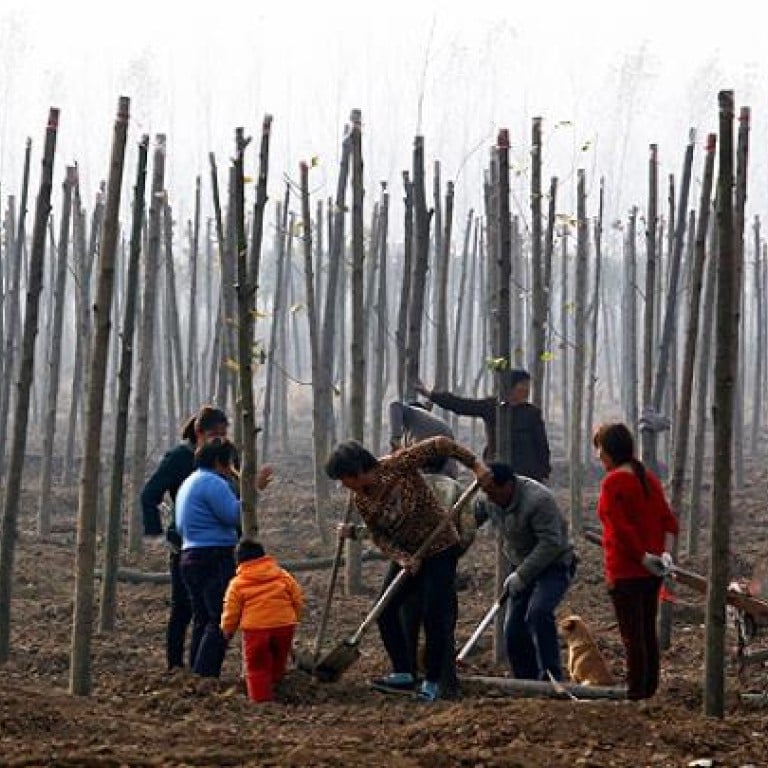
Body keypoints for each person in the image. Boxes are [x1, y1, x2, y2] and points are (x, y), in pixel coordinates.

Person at [326, 435, 491, 702]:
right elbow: (379, 535)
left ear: (355, 471)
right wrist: (401, 557)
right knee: (385, 609)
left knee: (432, 614)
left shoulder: (397, 464)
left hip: (440, 547)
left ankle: (433, 680)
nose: (343, 485)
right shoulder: (362, 501)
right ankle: (404, 672)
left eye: (343, 478)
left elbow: (441, 444)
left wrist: (476, 466)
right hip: (408, 554)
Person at [592, 422, 678, 701]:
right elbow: (668, 519)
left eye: (599, 449)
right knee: (647, 632)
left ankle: (636, 693)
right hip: (651, 571)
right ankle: (649, 688)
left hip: (627, 570)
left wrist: (641, 557)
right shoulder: (647, 477)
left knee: (632, 635)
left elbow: (619, 530)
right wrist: (663, 554)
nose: (598, 456)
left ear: (610, 451)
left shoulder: (613, 482)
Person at [175, 438, 273, 678]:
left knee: (202, 618)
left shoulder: (189, 482)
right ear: (220, 462)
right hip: (213, 556)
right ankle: (206, 675)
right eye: (229, 463)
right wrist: (254, 490)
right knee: (220, 619)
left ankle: (196, 674)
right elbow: (234, 515)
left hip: (189, 555)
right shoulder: (213, 482)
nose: (232, 469)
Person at [141, 405, 228, 670]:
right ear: (199, 433)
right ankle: (175, 667)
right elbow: (149, 495)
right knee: (184, 609)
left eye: (224, 435)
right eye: (215, 435)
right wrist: (157, 535)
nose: (220, 440)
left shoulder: (222, 457)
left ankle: (197, 668)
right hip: (183, 545)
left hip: (215, 545)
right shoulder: (179, 458)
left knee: (207, 612)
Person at [474, 462, 575, 681]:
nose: (490, 499)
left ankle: (551, 677)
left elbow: (551, 543)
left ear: (509, 485)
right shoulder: (491, 498)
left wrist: (522, 575)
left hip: (553, 565)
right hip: (520, 563)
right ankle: (524, 681)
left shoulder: (538, 500)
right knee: (513, 629)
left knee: (538, 613)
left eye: (494, 493)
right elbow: (472, 518)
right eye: (487, 493)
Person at [415, 368, 551, 481]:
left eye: (528, 386)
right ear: (511, 387)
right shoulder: (492, 407)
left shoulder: (532, 413)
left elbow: (541, 444)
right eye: (523, 385)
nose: (527, 390)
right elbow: (462, 405)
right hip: (497, 469)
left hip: (528, 473)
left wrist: (544, 471)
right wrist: (432, 395)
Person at [221, 540, 304, 702]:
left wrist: (228, 629)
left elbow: (231, 611)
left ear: (238, 561)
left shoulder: (237, 584)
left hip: (256, 630)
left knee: (256, 665)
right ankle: (277, 686)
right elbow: (297, 598)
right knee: (279, 658)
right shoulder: (282, 575)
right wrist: (295, 617)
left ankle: (261, 700)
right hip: (284, 625)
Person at [388, 400, 458, 478]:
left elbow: (394, 405)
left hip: (427, 445)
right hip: (444, 451)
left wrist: (395, 439)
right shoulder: (435, 421)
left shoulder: (412, 411)